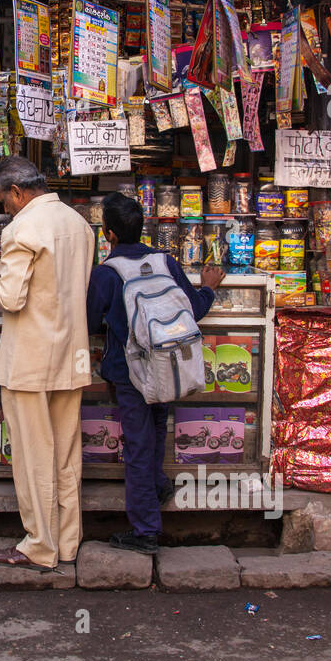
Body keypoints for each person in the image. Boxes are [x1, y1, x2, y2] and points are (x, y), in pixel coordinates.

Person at [0, 157, 94, 572]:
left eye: (5, 201)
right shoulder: (79, 224)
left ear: (18, 193)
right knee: (65, 455)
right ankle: (67, 543)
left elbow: (12, 298)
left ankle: (40, 545)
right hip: (70, 355)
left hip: (30, 360)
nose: (6, 208)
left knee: (34, 456)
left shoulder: (22, 227)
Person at [86, 192, 224, 554]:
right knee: (156, 429)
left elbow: (88, 321)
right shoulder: (166, 261)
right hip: (168, 366)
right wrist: (209, 288)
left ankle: (146, 530)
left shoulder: (106, 273)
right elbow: (193, 308)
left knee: (138, 446)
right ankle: (158, 484)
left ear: (109, 233)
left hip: (129, 374)